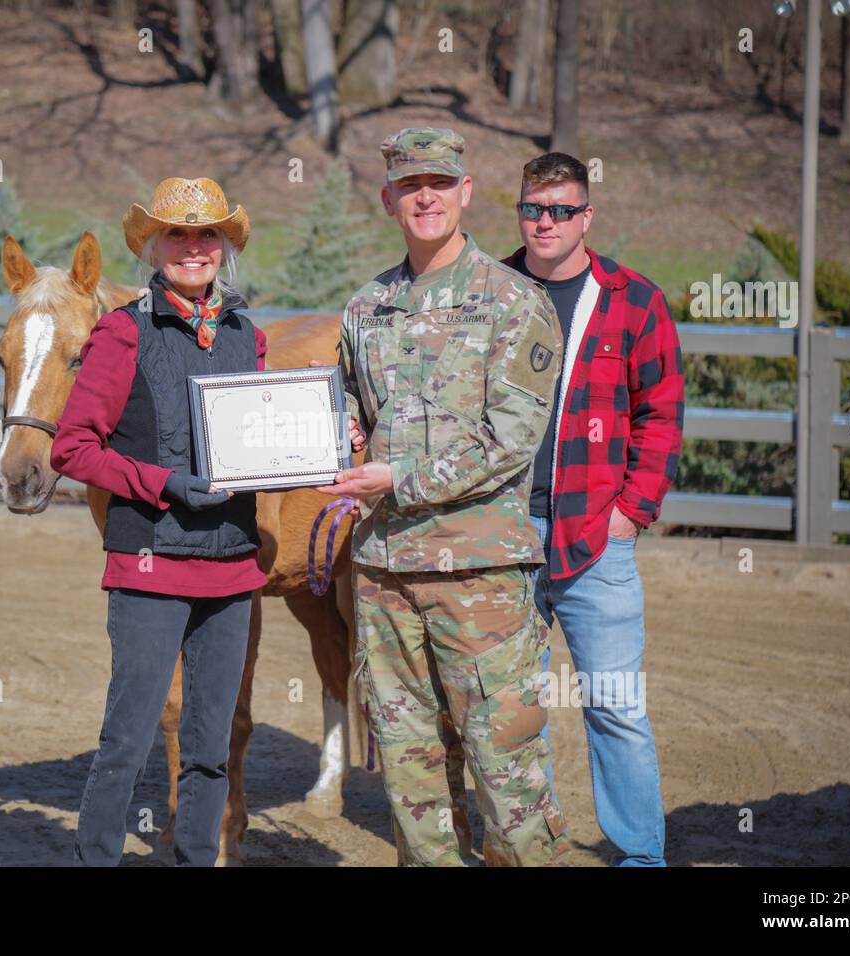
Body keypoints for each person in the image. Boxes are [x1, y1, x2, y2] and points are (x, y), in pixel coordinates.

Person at [317, 127, 570, 866]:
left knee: (509, 782)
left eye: (439, 182)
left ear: (464, 193)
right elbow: (351, 418)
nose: (423, 195)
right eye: (408, 184)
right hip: (387, 577)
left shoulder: (513, 303)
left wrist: (398, 478)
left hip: (480, 579)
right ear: (387, 197)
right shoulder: (366, 308)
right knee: (413, 782)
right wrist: (334, 449)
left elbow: (510, 440)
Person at [49, 177, 267, 867]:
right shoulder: (120, 333)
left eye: (208, 235)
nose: (194, 248)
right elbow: (72, 447)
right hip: (149, 566)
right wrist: (160, 482)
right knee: (127, 741)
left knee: (208, 748)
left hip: (232, 569)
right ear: (154, 246)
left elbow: (259, 446)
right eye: (179, 234)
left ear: (224, 247)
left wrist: (324, 442)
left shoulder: (246, 337)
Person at [501, 152, 685, 867]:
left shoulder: (634, 299)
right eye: (533, 209)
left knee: (614, 708)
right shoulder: (492, 290)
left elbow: (660, 415)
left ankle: (640, 858)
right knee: (514, 712)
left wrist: (630, 514)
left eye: (561, 211)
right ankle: (531, 851)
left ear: (587, 217)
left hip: (595, 539)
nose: (545, 223)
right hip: (503, 534)